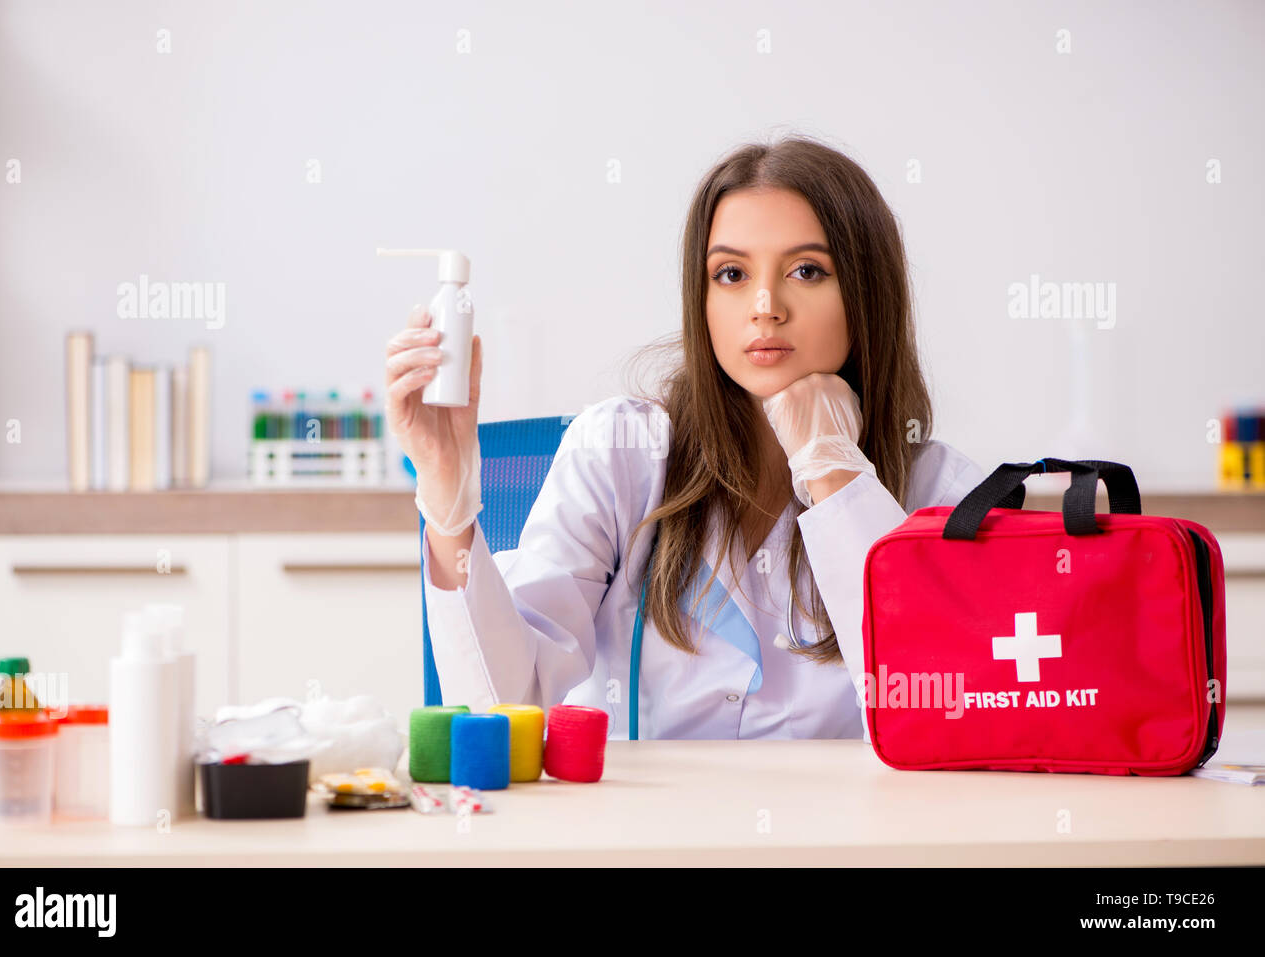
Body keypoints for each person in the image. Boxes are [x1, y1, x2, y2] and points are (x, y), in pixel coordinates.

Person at [384, 134, 986, 741]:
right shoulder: (622, 453)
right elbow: (505, 704)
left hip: (840, 834)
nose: (764, 305)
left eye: (807, 270)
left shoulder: (941, 492)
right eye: (731, 273)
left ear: (866, 293)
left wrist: (834, 473)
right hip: (646, 835)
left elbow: (940, 715)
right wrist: (448, 500)